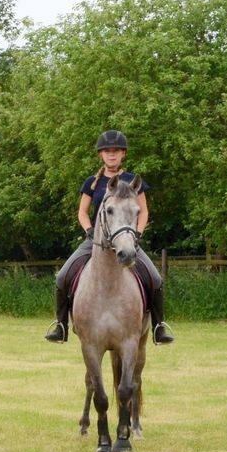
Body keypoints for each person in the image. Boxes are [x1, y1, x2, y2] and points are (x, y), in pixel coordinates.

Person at [44, 130, 174, 344]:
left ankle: (159, 327)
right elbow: (82, 212)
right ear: (101, 155)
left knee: (156, 279)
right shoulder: (91, 183)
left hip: (128, 240)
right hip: (96, 241)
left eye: (116, 151)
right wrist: (88, 229)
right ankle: (61, 325)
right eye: (107, 151)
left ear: (123, 154)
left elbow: (144, 211)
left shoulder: (133, 181)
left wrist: (137, 234)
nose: (111, 155)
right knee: (62, 278)